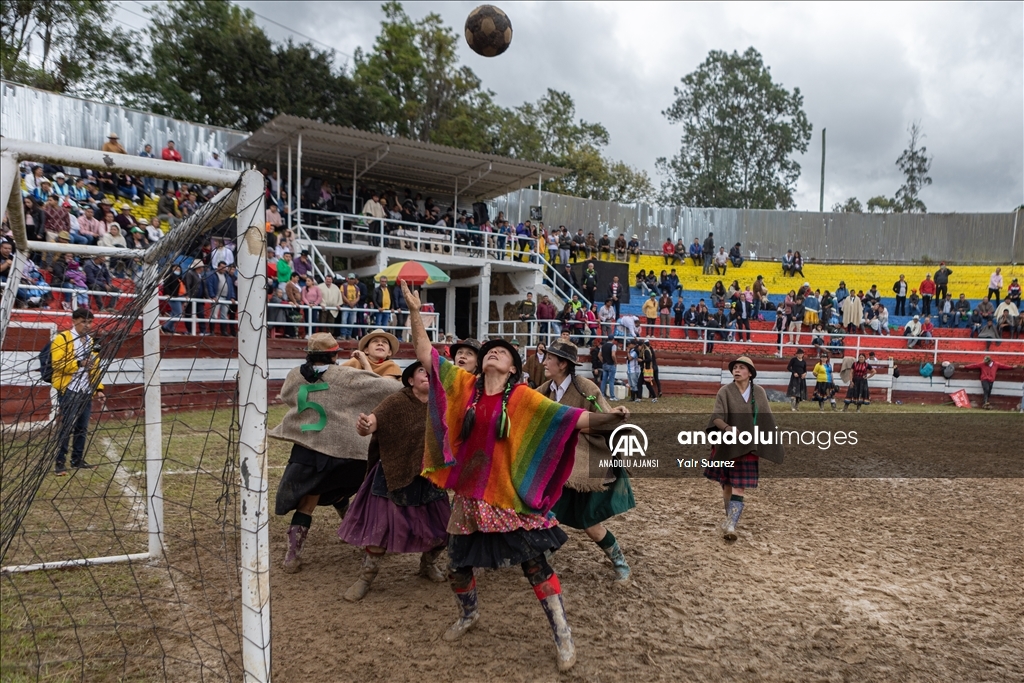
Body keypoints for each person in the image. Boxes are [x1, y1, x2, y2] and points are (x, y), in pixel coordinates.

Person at [402, 281, 627, 673]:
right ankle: (469, 615)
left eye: (501, 353)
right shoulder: (464, 387)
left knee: (535, 565)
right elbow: (425, 355)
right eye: (489, 352)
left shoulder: (524, 398)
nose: (493, 355)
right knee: (458, 564)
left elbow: (573, 419)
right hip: (470, 497)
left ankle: (563, 634)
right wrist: (416, 312)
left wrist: (614, 417)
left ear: (512, 368)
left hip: (508, 496)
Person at [269, 334, 399, 572]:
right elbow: (389, 388)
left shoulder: (295, 374)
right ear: (335, 354)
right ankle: (365, 539)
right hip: (344, 446)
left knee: (310, 498)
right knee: (363, 490)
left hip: (308, 445)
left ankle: (292, 554)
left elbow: (288, 396)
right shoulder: (345, 375)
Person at [340, 361, 451, 600]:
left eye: (432, 372)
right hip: (392, 473)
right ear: (410, 380)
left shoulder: (441, 404)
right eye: (422, 371)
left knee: (444, 529)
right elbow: (372, 422)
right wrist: (365, 425)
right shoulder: (397, 401)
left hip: (428, 475)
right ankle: (365, 578)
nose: (428, 375)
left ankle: (427, 564)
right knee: (380, 531)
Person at [537, 341, 635, 584]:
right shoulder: (544, 390)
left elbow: (606, 417)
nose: (545, 362)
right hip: (556, 465)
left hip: (585, 463)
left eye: (549, 358)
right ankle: (540, 559)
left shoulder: (584, 387)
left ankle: (620, 562)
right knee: (544, 511)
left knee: (590, 524)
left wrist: (613, 413)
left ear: (562, 364)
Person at [704, 356, 785, 541]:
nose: (737, 370)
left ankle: (731, 524)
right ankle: (729, 518)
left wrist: (772, 442)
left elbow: (767, 419)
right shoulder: (724, 391)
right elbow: (716, 417)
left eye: (741, 368)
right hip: (726, 445)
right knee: (727, 484)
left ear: (750, 373)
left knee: (739, 487)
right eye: (735, 368)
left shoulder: (759, 393)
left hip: (748, 446)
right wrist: (727, 428)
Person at [51, 308, 106, 475]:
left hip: (85, 390)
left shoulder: (90, 342)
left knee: (82, 426)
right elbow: (57, 364)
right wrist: (78, 363)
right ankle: (60, 462)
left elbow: (94, 367)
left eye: (90, 322)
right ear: (74, 321)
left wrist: (98, 388)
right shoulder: (62, 339)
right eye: (84, 322)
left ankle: (77, 459)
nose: (87, 325)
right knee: (67, 426)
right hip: (68, 389)